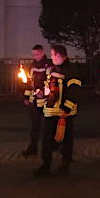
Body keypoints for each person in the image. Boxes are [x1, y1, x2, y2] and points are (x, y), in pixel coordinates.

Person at [35, 45, 82, 177]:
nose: (51, 58)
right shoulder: (52, 69)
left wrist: (67, 109)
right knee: (46, 139)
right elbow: (49, 86)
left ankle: (65, 165)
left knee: (66, 140)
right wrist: (41, 93)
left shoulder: (71, 71)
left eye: (53, 55)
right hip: (50, 111)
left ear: (59, 55)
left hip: (63, 113)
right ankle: (45, 165)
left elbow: (74, 91)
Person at [20, 45, 51, 157]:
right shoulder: (32, 66)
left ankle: (48, 150)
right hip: (34, 101)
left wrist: (43, 91)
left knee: (48, 127)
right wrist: (26, 97)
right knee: (34, 127)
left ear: (42, 53)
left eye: (37, 54)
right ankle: (33, 148)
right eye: (33, 54)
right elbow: (29, 83)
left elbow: (51, 82)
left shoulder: (48, 65)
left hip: (46, 102)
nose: (35, 56)